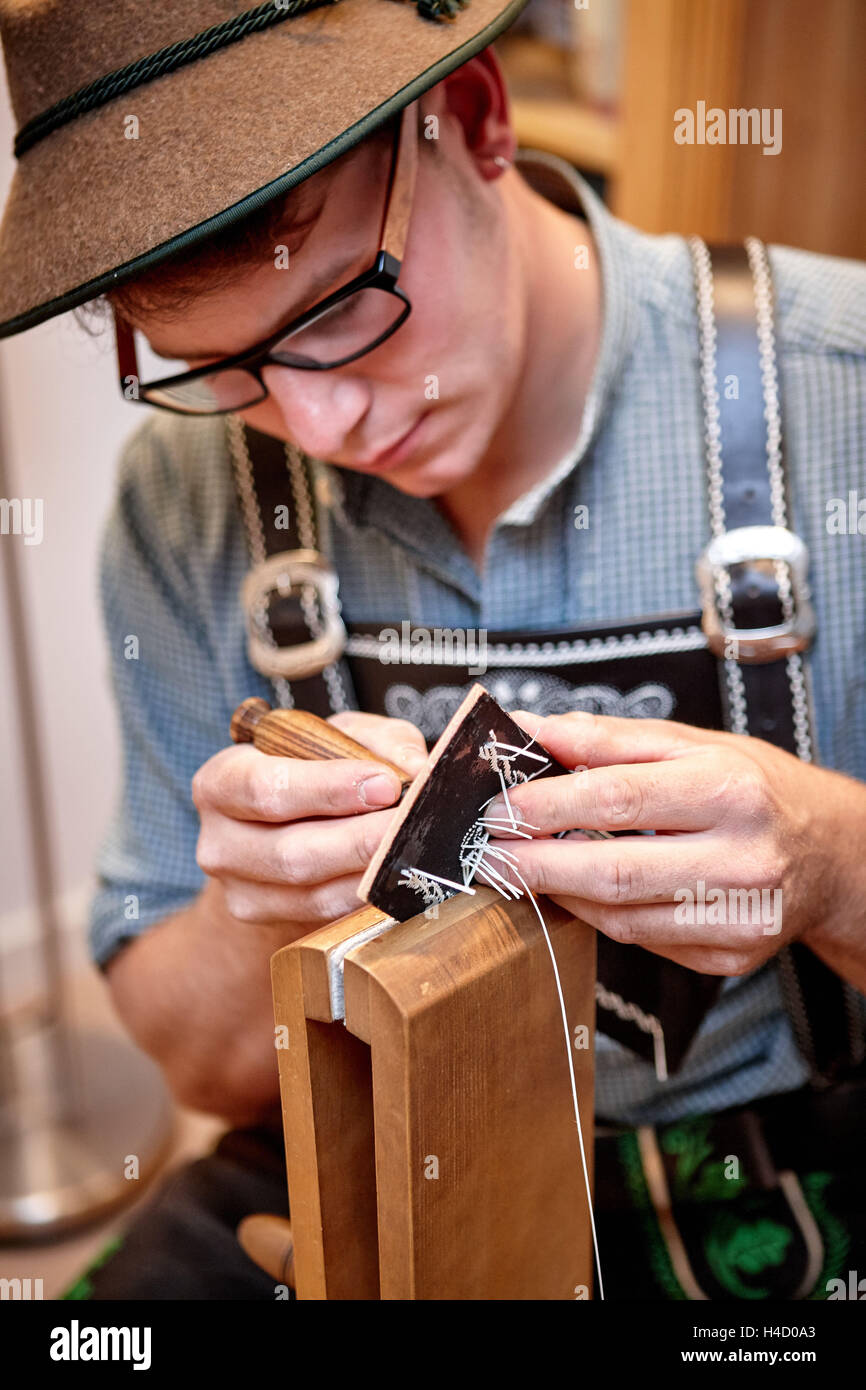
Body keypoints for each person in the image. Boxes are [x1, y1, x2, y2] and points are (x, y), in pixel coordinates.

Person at [1, 0, 864, 1301]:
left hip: (769, 1153)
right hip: (361, 1135)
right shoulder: (184, 499)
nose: (318, 422)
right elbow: (207, 1073)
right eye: (218, 364)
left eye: (344, 309)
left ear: (472, 117)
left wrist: (830, 863)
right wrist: (264, 910)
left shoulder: (839, 395)